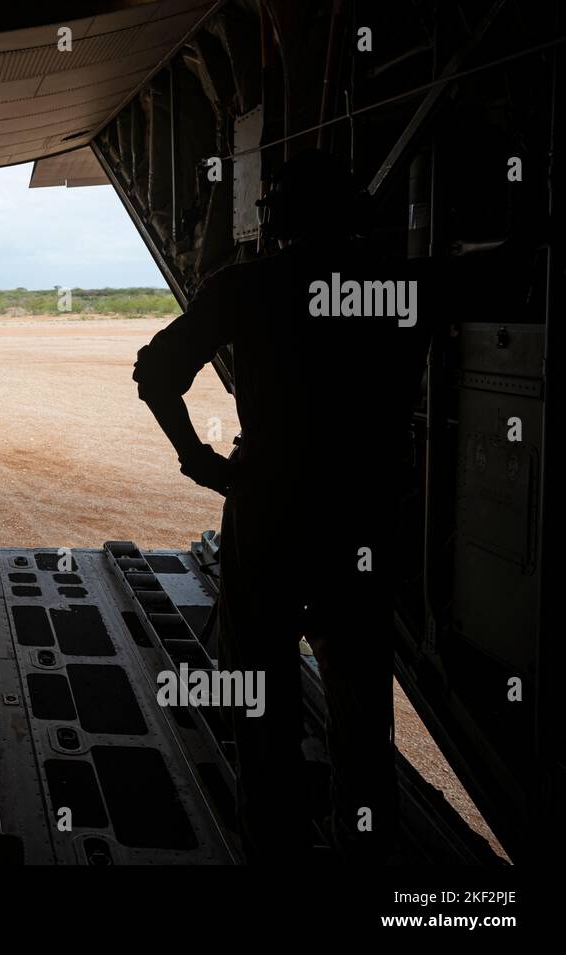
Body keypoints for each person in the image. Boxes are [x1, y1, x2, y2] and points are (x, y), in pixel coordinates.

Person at [133, 150, 433, 862]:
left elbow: (155, 373)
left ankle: (275, 845)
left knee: (260, 689)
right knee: (361, 703)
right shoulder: (400, 287)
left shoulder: (248, 287)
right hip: (360, 514)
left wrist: (200, 461)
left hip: (268, 509)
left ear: (278, 221)